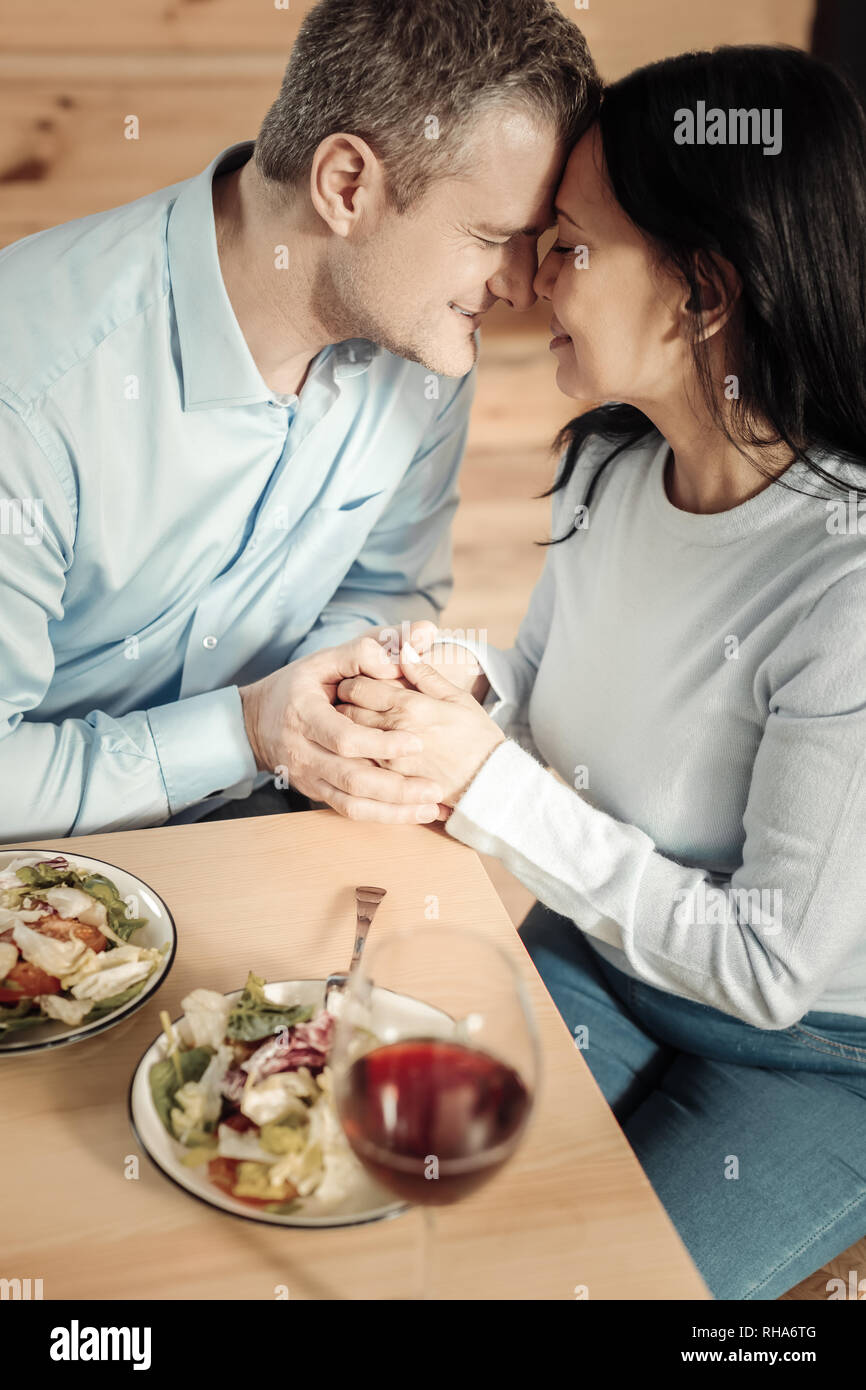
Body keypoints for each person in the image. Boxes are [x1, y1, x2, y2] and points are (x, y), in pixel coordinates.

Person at [335, 47, 866, 1299]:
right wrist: (457, 686)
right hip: (602, 960)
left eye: (566, 244)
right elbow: (550, 687)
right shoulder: (613, 473)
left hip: (810, 1055)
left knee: (575, 1291)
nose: (526, 283)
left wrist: (486, 787)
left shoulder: (844, 582)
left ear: (701, 286)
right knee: (394, 1211)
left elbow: (765, 972)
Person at [0, 0, 599, 840]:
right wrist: (244, 731)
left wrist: (343, 696)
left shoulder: (426, 351)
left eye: (539, 241)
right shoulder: (29, 387)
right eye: (495, 236)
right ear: (346, 185)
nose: (521, 284)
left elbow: (383, 589)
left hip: (279, 824)